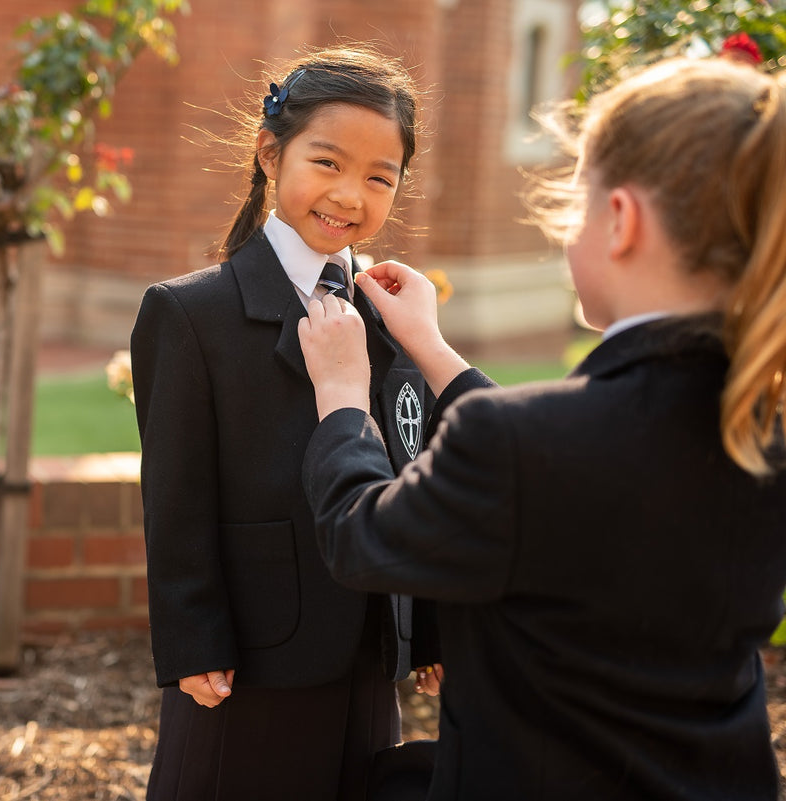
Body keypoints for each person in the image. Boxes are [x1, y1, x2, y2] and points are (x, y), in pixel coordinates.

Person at [297, 56, 786, 800]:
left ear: (620, 220)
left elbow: (360, 535)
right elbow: (566, 457)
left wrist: (341, 397)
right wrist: (432, 348)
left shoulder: (527, 446)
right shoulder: (760, 430)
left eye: (574, 207)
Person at [130, 45, 441, 801]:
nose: (350, 195)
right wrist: (192, 637)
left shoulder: (395, 311)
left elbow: (409, 466)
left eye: (379, 176)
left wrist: (426, 624)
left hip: (369, 656)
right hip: (247, 661)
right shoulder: (190, 313)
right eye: (327, 163)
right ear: (271, 153)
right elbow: (174, 494)